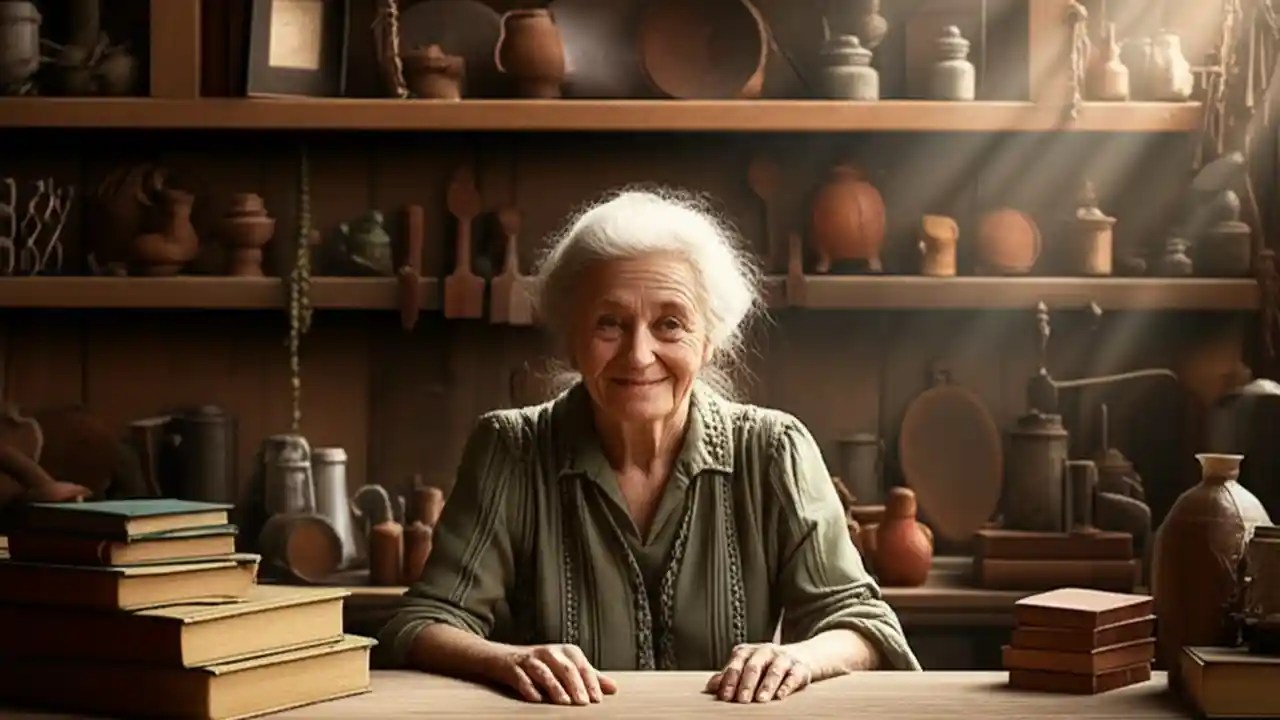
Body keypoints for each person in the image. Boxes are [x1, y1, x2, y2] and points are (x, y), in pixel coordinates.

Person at [377, 189, 920, 706]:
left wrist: (797, 658)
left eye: (670, 324)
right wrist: (506, 659)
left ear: (710, 341)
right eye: (610, 323)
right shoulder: (511, 450)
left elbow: (863, 625)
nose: (639, 355)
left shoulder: (773, 450)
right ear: (572, 336)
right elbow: (421, 623)